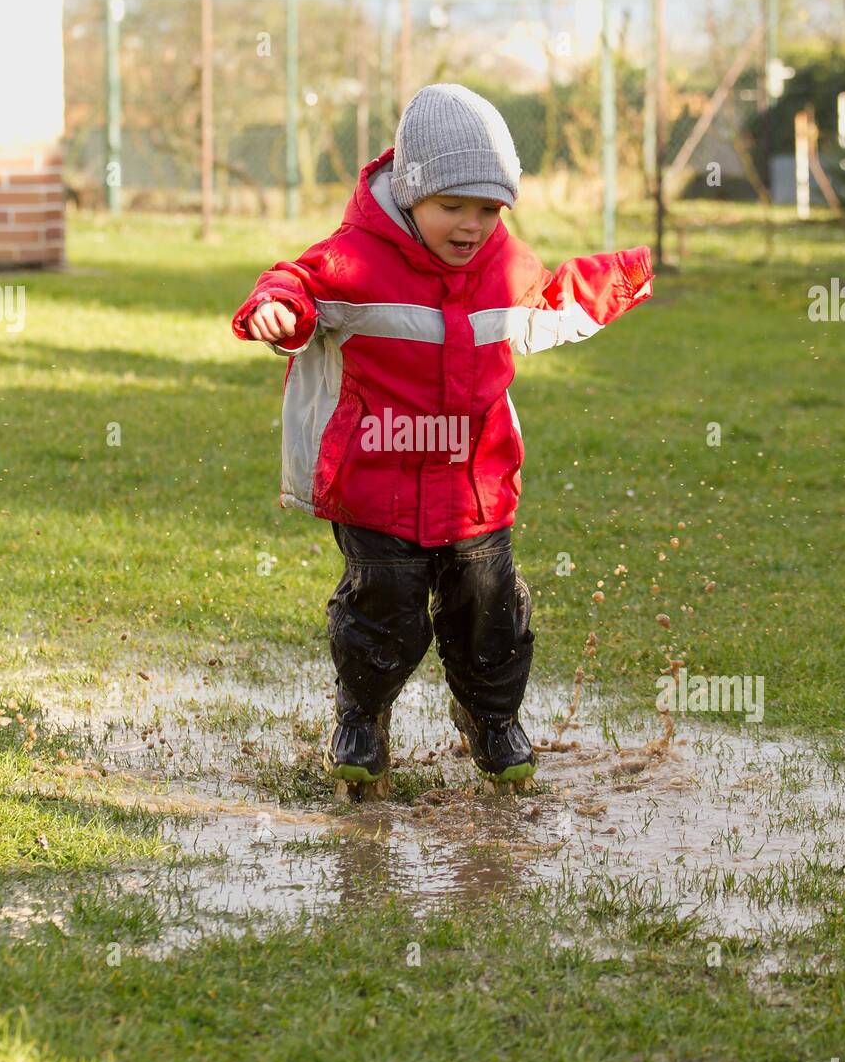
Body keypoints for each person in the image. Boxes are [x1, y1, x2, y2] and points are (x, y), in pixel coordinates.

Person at [231, 84, 653, 788]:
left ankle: (491, 720)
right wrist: (276, 309)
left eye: (488, 208)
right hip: (375, 485)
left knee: (490, 607)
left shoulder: (506, 267)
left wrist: (627, 274)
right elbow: (296, 284)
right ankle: (362, 718)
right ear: (411, 193)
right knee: (385, 607)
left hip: (476, 485)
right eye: (452, 206)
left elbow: (553, 301)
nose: (471, 225)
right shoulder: (356, 261)